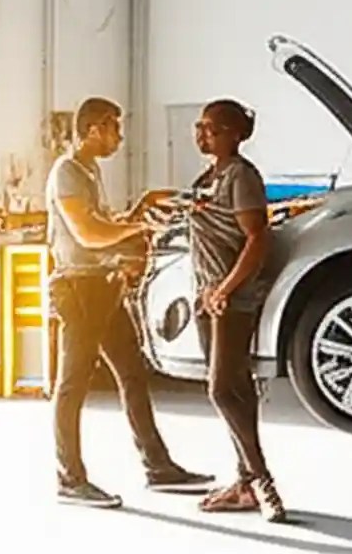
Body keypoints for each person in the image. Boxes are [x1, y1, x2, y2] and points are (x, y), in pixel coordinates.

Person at [45, 96, 215, 509]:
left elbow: (104, 226)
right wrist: (139, 225)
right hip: (78, 289)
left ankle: (158, 467)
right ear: (93, 129)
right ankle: (70, 479)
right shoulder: (67, 172)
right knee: (72, 386)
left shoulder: (89, 170)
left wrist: (141, 208)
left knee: (132, 375)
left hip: (103, 287)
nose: (119, 136)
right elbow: (88, 234)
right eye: (114, 127)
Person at [188, 98, 287, 522]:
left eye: (211, 128)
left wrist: (226, 288)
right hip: (207, 297)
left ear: (234, 133)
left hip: (231, 298)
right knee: (238, 391)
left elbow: (257, 238)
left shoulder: (242, 177)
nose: (202, 133)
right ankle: (244, 483)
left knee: (222, 388)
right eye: (200, 125)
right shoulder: (211, 175)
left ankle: (262, 481)